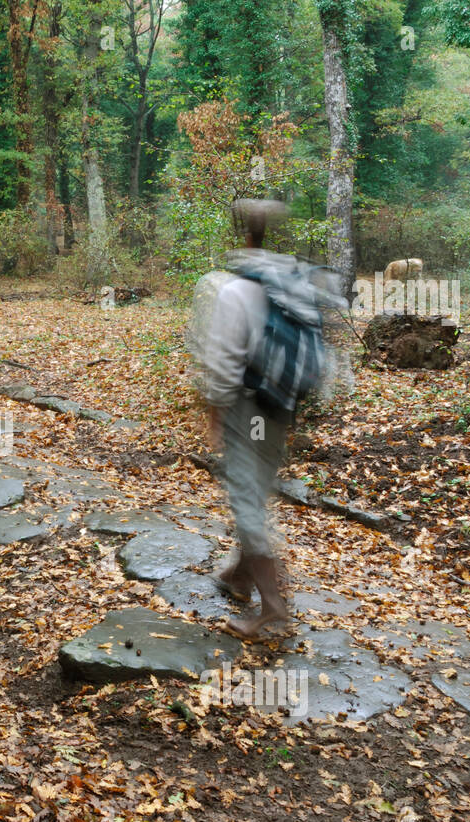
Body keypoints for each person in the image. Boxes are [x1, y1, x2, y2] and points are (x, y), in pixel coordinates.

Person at [198, 199, 295, 641]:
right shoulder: (292, 285)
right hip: (280, 407)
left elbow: (222, 362)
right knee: (255, 486)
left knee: (245, 499)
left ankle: (273, 607)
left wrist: (213, 410)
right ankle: (238, 575)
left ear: (242, 239)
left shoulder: (234, 291)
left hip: (247, 408)